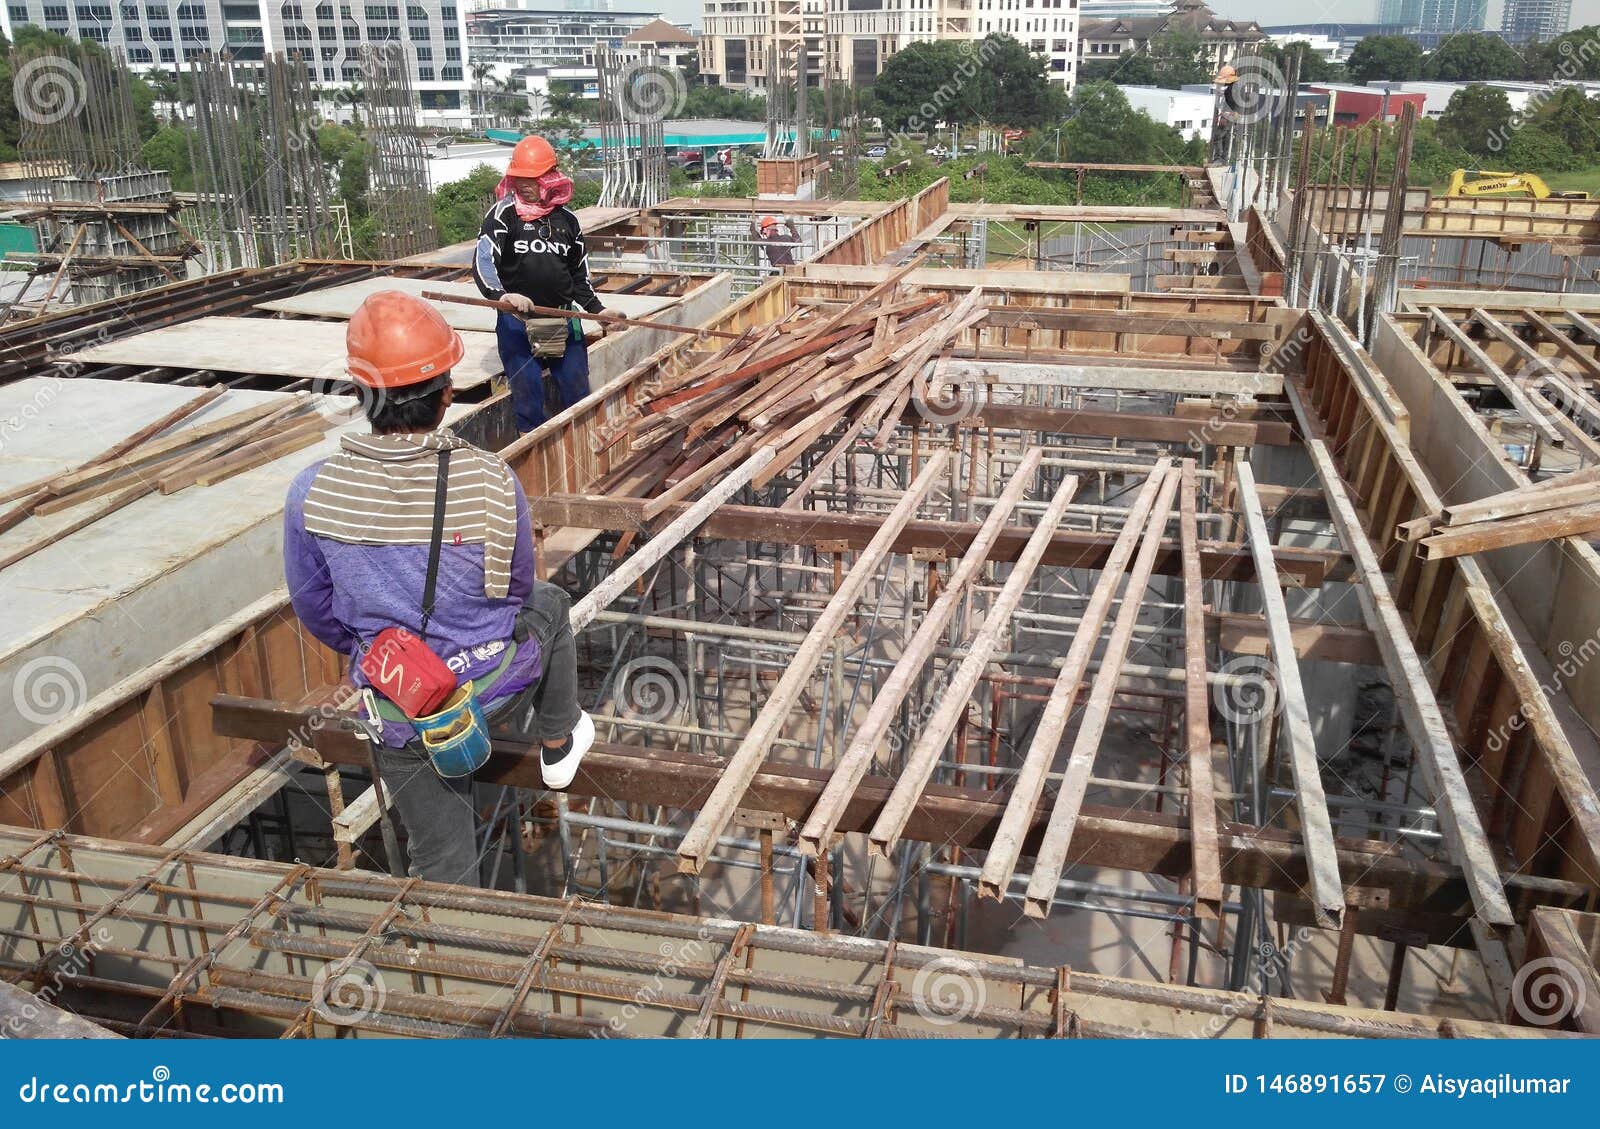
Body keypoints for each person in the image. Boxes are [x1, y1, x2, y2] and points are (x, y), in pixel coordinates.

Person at [283, 290, 594, 886]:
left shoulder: (311, 492)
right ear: (447, 394)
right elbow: (516, 589)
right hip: (489, 688)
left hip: (398, 705)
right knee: (550, 604)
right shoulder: (487, 477)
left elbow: (315, 608)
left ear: (360, 394)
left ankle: (451, 961)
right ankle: (558, 739)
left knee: (443, 863)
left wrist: (375, 648)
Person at [472, 134, 606, 434]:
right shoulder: (502, 217)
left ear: (550, 178)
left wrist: (599, 309)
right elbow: (483, 263)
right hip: (517, 323)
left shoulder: (567, 222)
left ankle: (580, 443)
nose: (524, 185)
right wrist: (503, 296)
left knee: (577, 391)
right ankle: (531, 453)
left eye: (532, 179)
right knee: (528, 396)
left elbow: (579, 275)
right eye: (519, 178)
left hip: (563, 317)